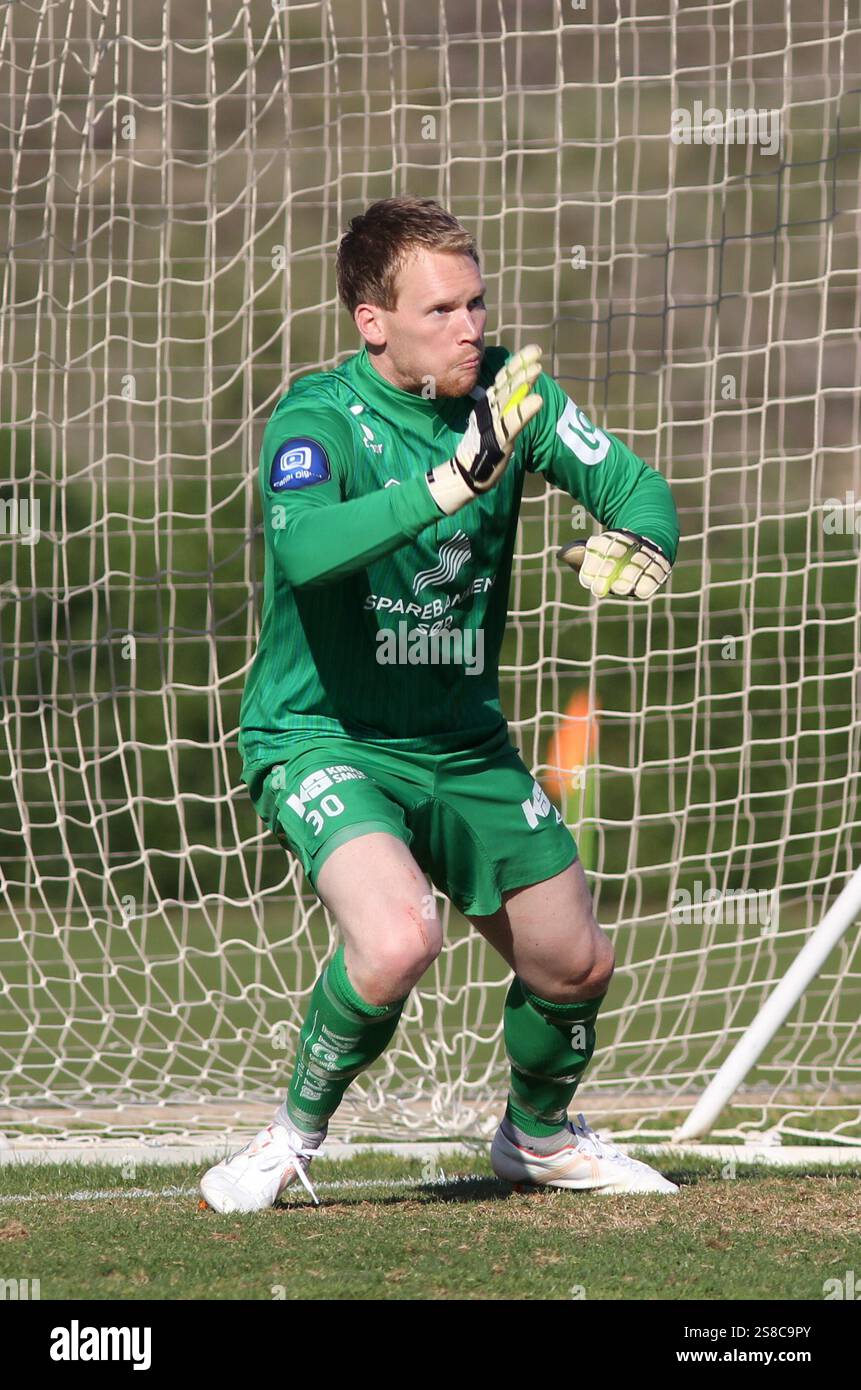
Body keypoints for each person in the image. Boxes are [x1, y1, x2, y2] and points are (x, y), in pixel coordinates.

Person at [200, 195, 680, 1213]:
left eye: (476, 304)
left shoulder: (513, 395)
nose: (469, 328)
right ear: (373, 321)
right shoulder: (316, 418)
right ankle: (288, 1140)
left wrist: (640, 544)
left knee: (574, 964)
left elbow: (639, 487)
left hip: (461, 742)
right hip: (325, 733)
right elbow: (303, 548)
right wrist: (448, 486)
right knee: (400, 937)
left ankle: (539, 1141)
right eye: (441, 311)